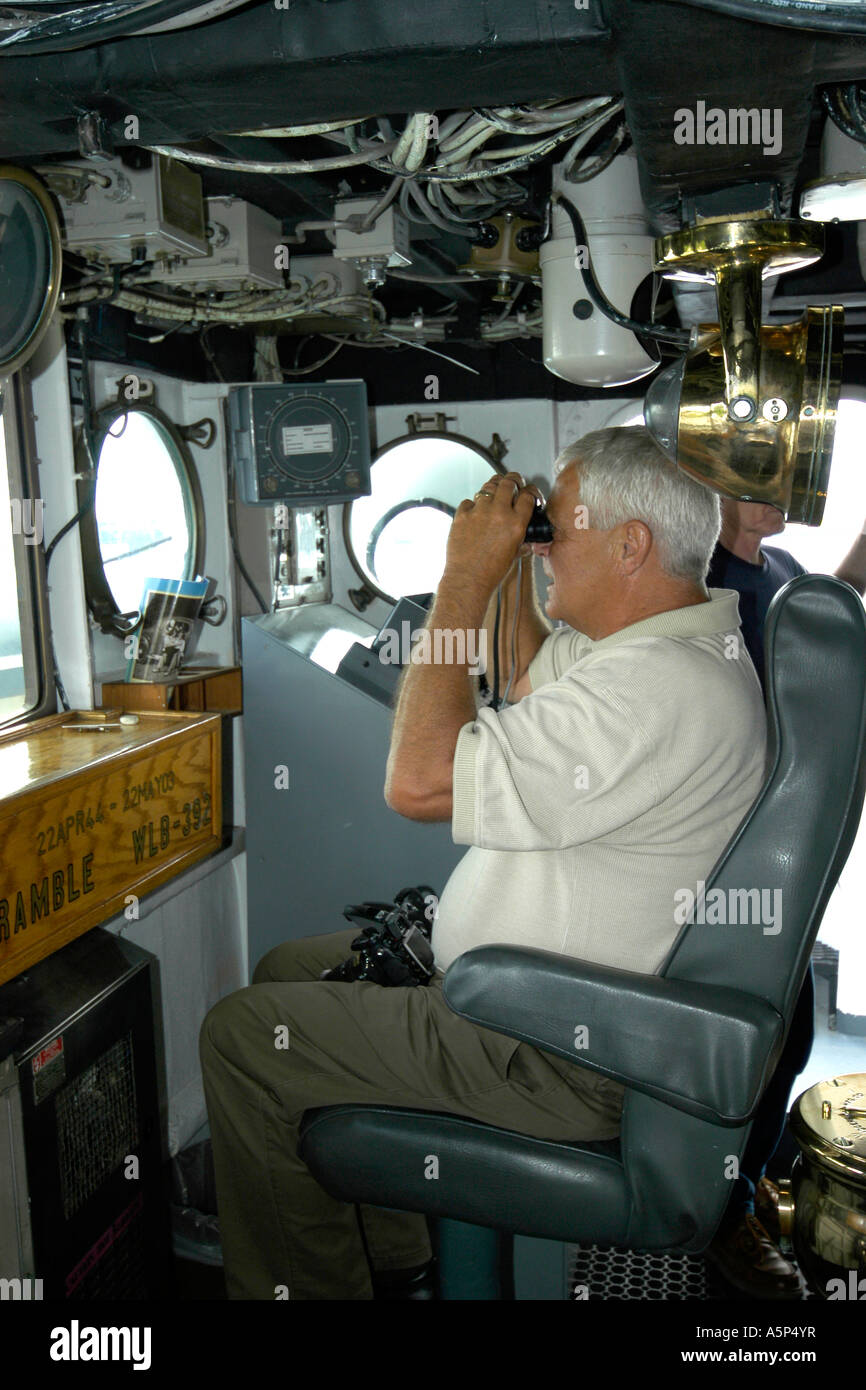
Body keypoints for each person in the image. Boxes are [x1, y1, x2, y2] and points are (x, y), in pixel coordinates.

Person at [198, 425, 766, 1300]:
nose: (545, 546)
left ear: (630, 545)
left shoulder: (653, 692)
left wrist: (462, 579)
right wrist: (507, 569)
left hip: (552, 1042)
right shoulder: (662, 644)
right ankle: (398, 1262)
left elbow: (419, 782)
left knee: (241, 1038)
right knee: (285, 971)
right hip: (552, 1002)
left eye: (557, 530)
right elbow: (524, 665)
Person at [704, 496, 866, 1298]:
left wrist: (857, 566)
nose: (777, 484)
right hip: (724, 861)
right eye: (749, 468)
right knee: (752, 1052)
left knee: (789, 1042)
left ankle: (748, 1186)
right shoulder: (698, 583)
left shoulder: (785, 573)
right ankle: (722, 1217)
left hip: (784, 860)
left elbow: (806, 659)